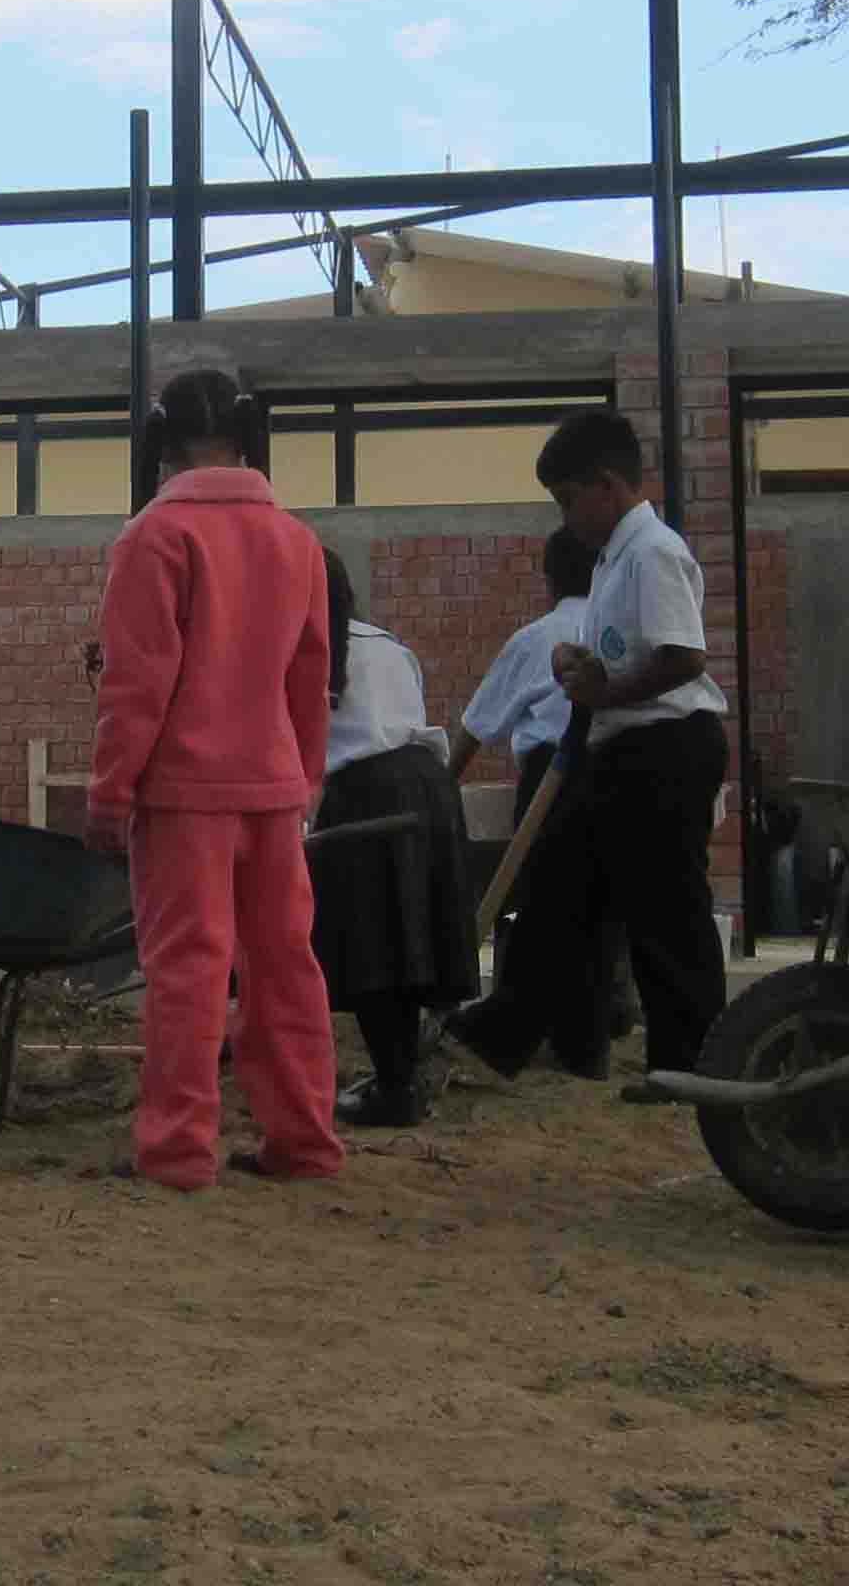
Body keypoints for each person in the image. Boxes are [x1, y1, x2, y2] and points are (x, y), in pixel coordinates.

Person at [87, 367, 342, 1190]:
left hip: (183, 794)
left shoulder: (154, 538)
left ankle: (175, 1152)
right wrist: (304, 778)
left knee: (190, 968)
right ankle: (303, 1143)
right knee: (286, 968)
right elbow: (313, 674)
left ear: (161, 443)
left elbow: (137, 682)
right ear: (245, 437)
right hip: (272, 789)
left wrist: (109, 792)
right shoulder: (296, 540)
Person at [444, 410, 731, 1083]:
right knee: (560, 884)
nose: (567, 517)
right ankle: (508, 1026)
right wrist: (578, 665)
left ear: (606, 485)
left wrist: (606, 693)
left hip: (665, 750)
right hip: (619, 748)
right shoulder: (613, 558)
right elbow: (618, 655)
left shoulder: (653, 552)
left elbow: (684, 658)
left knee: (667, 916)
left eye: (569, 500)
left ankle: (691, 1065)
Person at [310, 550, 476, 1129]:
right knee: (412, 938)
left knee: (374, 945)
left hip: (370, 796)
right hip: (430, 787)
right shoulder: (385, 642)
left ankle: (397, 1089)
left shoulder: (301, 647)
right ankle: (401, 1074)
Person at [448, 527, 635, 1041]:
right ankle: (596, 1023)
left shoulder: (540, 637)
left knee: (543, 904)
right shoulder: (618, 631)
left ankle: (537, 1024)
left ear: (549, 581)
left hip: (554, 776)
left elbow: (477, 726)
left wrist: (440, 790)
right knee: (600, 900)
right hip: (616, 769)